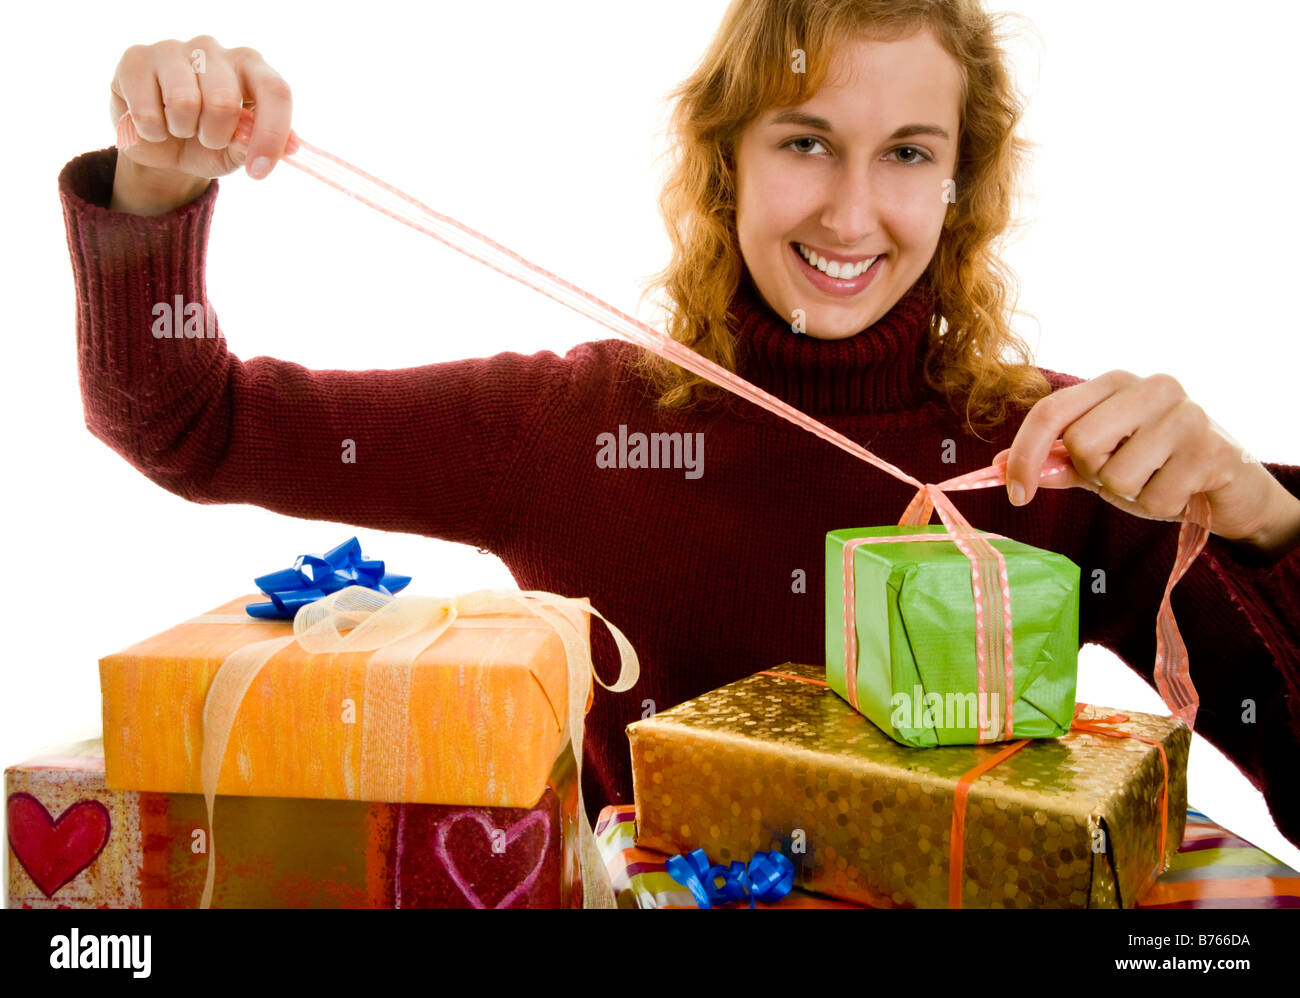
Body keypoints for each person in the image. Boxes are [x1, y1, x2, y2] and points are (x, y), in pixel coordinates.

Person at [61, 0, 1300, 850]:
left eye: (910, 152)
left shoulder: (1061, 460)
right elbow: (186, 422)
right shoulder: (569, 428)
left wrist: (1260, 519)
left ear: (961, 181)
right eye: (806, 141)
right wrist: (157, 183)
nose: (855, 211)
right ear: (726, 160)